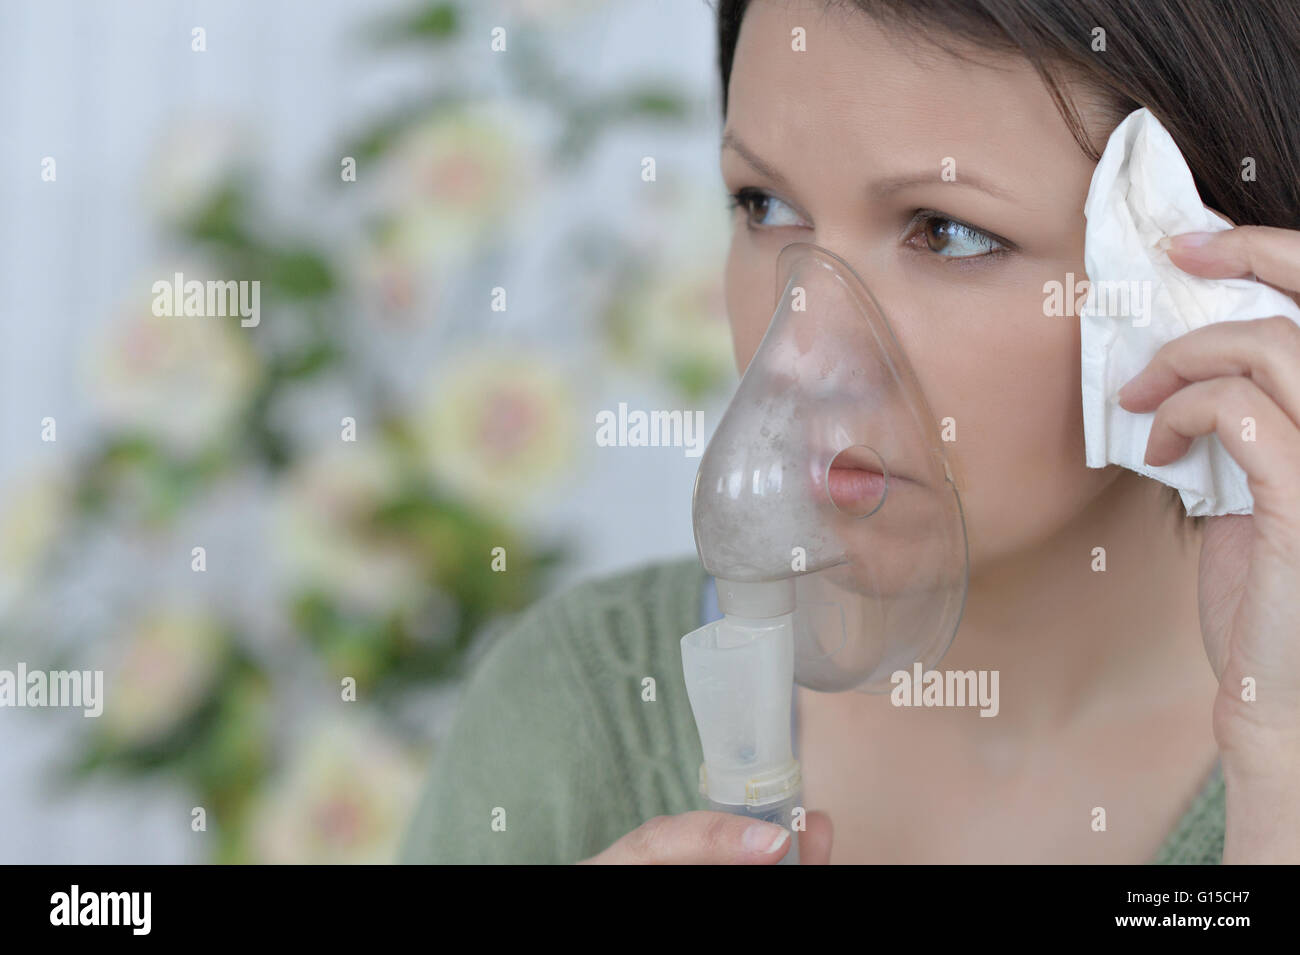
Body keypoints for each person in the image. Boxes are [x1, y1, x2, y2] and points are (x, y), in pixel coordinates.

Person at [400, 0, 1300, 864]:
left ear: (1203, 287)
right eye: (764, 207)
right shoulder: (574, 711)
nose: (798, 356)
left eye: (944, 232)